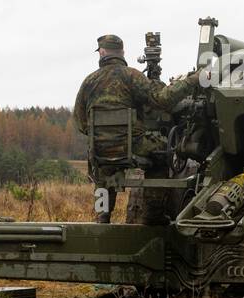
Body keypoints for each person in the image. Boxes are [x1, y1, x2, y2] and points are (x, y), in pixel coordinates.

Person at [74, 34, 198, 223]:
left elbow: (80, 121)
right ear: (122, 52)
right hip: (133, 146)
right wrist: (193, 80)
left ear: (102, 52)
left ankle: (103, 216)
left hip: (100, 150)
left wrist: (102, 137)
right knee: (162, 153)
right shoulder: (131, 76)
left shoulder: (88, 82)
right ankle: (152, 215)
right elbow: (162, 100)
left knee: (103, 169)